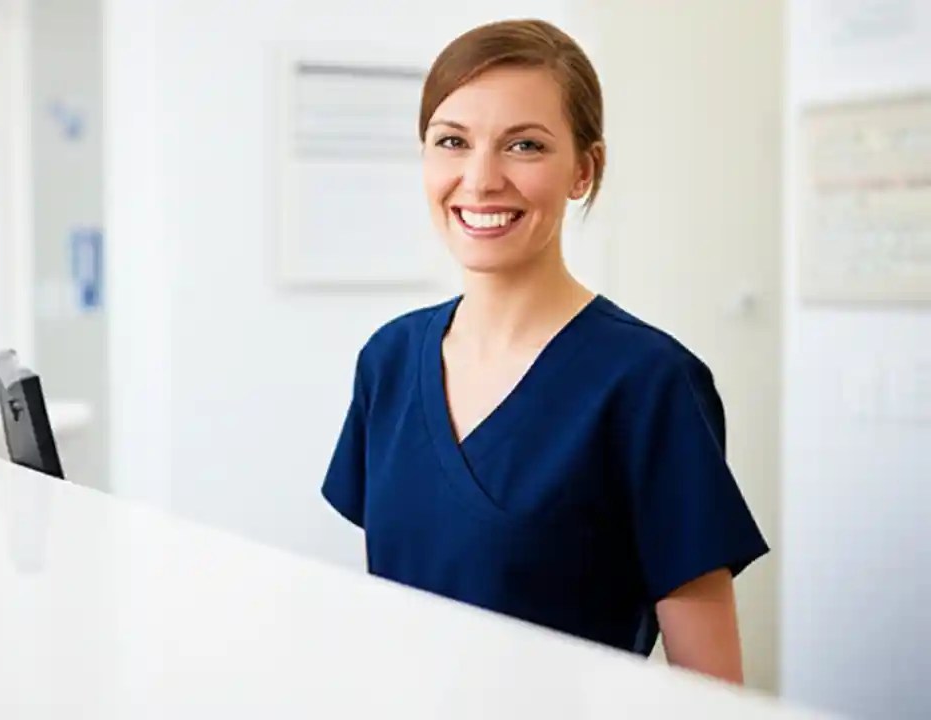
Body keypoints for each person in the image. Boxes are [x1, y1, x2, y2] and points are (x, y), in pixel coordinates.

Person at [321, 19, 768, 685]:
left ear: (583, 170)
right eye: (452, 142)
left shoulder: (649, 384)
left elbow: (710, 691)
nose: (479, 179)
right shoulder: (388, 361)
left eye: (524, 145)